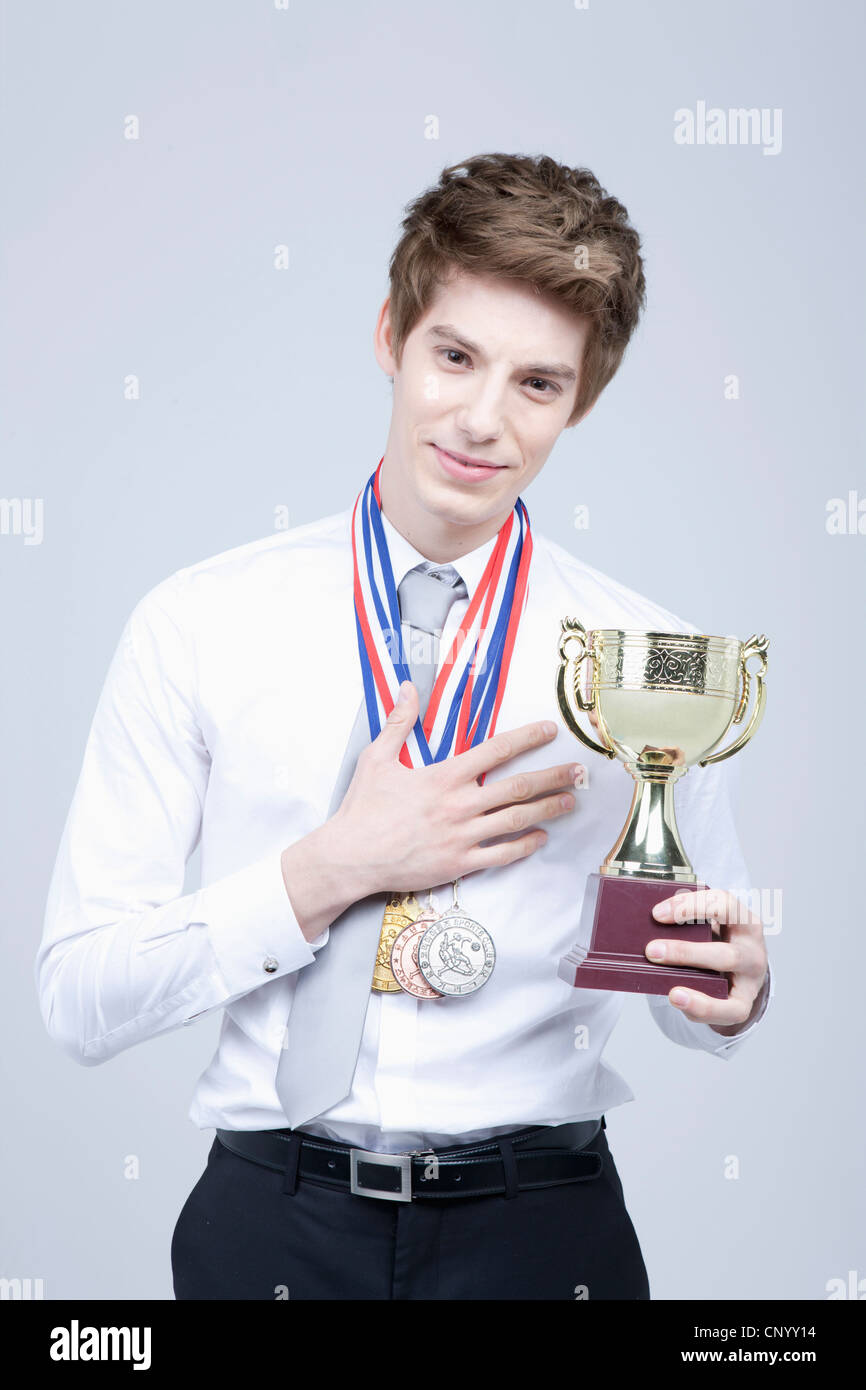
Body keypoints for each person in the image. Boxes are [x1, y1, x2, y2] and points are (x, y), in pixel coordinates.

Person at [37, 152, 771, 1301]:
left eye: (536, 382)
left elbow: (691, 999)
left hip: (544, 1234)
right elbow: (80, 998)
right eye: (455, 356)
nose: (481, 419)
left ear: (579, 397)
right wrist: (329, 869)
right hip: (267, 1226)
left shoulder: (649, 660)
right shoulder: (198, 620)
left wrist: (725, 993)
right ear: (390, 336)